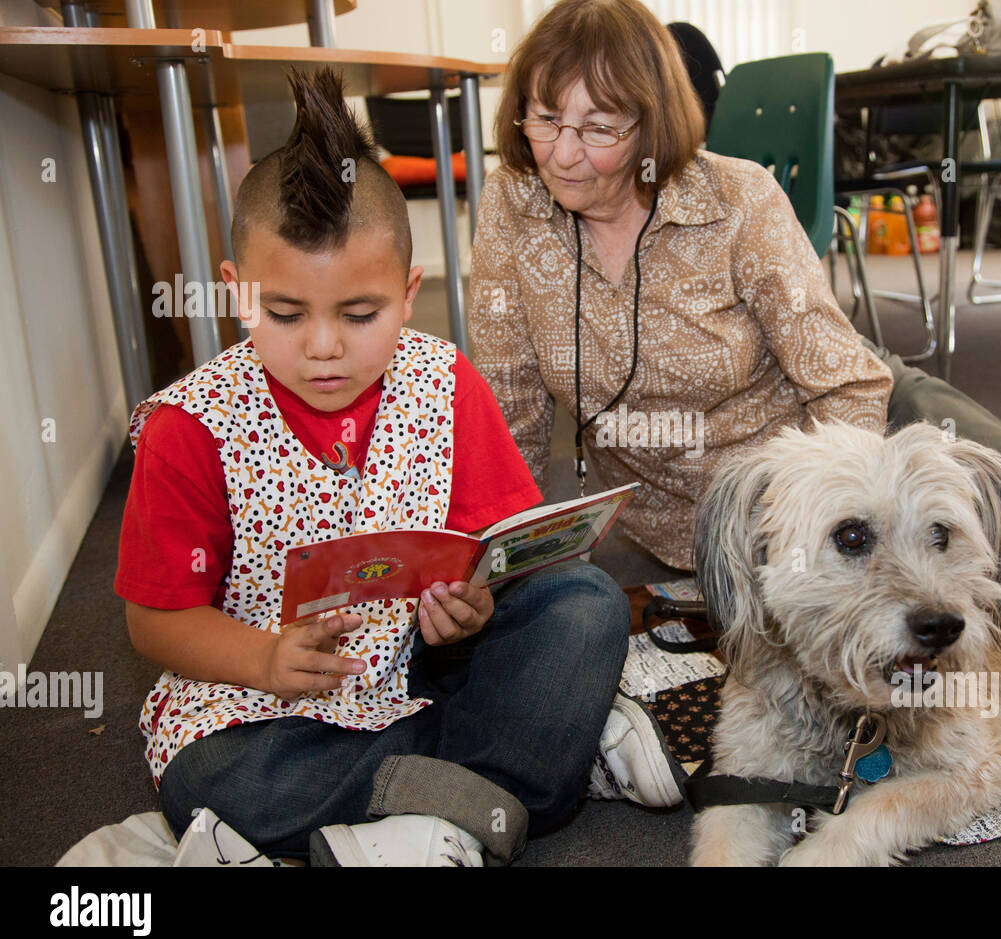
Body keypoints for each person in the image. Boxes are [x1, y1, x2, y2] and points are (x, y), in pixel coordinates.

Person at [468, 0, 1001, 572]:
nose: (563, 154)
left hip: (865, 426)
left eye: (600, 129)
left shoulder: (737, 198)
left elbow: (848, 384)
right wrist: (509, 554)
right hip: (674, 523)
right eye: (544, 119)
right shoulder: (512, 203)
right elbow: (510, 404)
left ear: (651, 122)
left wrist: (821, 533)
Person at [114, 68, 666, 867]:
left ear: (409, 294)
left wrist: (475, 607)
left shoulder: (443, 380)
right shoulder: (190, 425)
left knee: (581, 601)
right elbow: (152, 621)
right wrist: (265, 659)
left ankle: (429, 808)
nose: (325, 347)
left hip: (417, 676)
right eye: (285, 313)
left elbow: (499, 556)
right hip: (261, 711)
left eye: (360, 314)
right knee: (213, 779)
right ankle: (522, 777)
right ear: (237, 294)